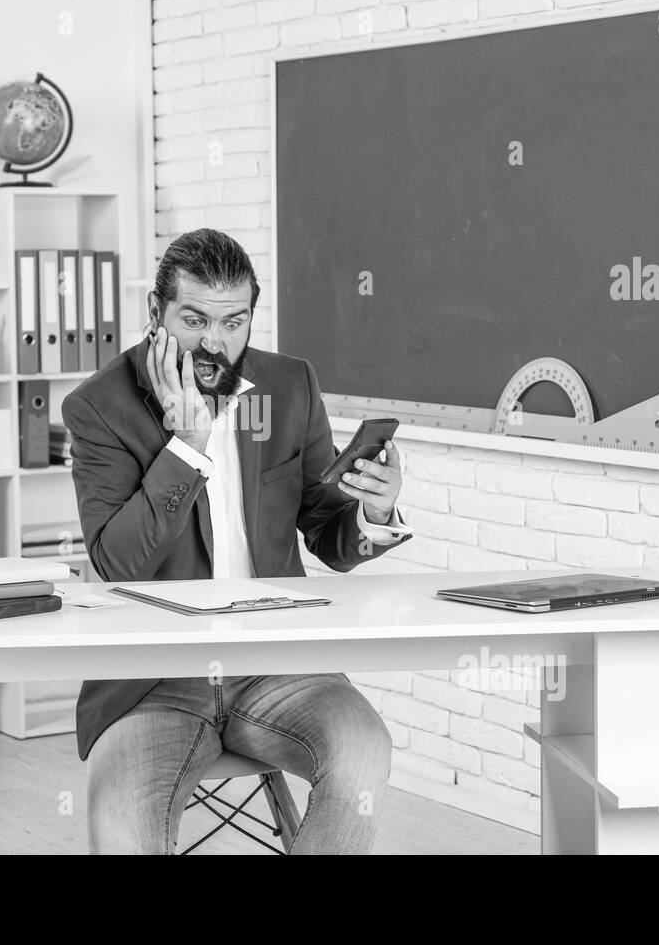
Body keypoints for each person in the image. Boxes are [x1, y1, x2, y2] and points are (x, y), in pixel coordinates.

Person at [63, 228, 412, 854]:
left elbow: (326, 535)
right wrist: (187, 445)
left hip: (278, 667)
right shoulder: (100, 407)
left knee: (364, 750)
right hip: (152, 682)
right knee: (119, 829)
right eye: (194, 320)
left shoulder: (290, 387)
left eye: (234, 322)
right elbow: (117, 562)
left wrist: (374, 512)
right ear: (156, 313)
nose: (215, 343)